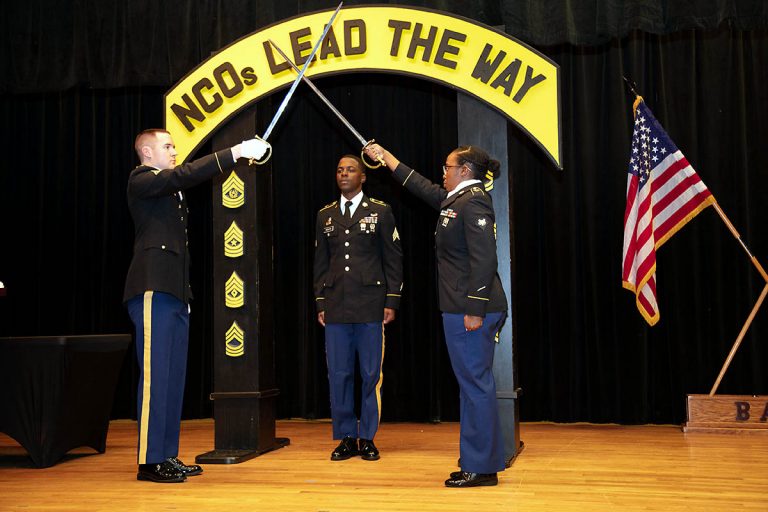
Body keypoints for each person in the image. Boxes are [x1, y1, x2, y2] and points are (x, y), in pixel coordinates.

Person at [123, 129, 268, 483]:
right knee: (155, 379)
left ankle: (165, 454)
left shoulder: (168, 188)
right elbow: (185, 174)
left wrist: (184, 294)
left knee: (172, 379)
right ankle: (148, 460)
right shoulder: (142, 179)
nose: (174, 152)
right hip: (152, 287)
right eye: (168, 146)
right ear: (146, 151)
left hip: (173, 290)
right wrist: (235, 151)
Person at [364, 142, 507, 488]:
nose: (442, 172)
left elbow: (485, 259)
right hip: (460, 308)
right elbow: (421, 186)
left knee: (476, 386)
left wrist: (474, 308)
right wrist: (387, 157)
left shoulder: (473, 202)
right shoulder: (456, 199)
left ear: (464, 172)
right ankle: (477, 459)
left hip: (471, 310)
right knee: (472, 386)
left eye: (447, 167)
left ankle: (483, 467)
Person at [313, 154, 403, 462]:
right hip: (336, 304)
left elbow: (393, 259)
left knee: (369, 373)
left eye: (351, 169)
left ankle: (368, 437)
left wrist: (392, 299)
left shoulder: (380, 211)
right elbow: (320, 263)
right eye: (339, 170)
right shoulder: (325, 215)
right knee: (338, 374)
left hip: (370, 305)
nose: (344, 174)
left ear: (363, 177)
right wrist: (320, 301)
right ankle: (346, 437)